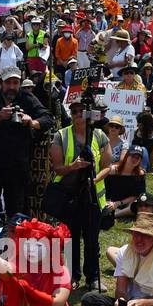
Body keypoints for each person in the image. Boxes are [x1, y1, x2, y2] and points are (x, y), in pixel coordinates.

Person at [47, 99, 110, 287]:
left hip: (92, 196)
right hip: (69, 195)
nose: (77, 115)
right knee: (70, 237)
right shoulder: (61, 135)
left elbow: (108, 166)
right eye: (73, 112)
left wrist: (95, 179)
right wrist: (73, 166)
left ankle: (93, 277)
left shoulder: (99, 135)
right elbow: (57, 168)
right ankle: (73, 276)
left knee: (92, 238)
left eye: (81, 111)